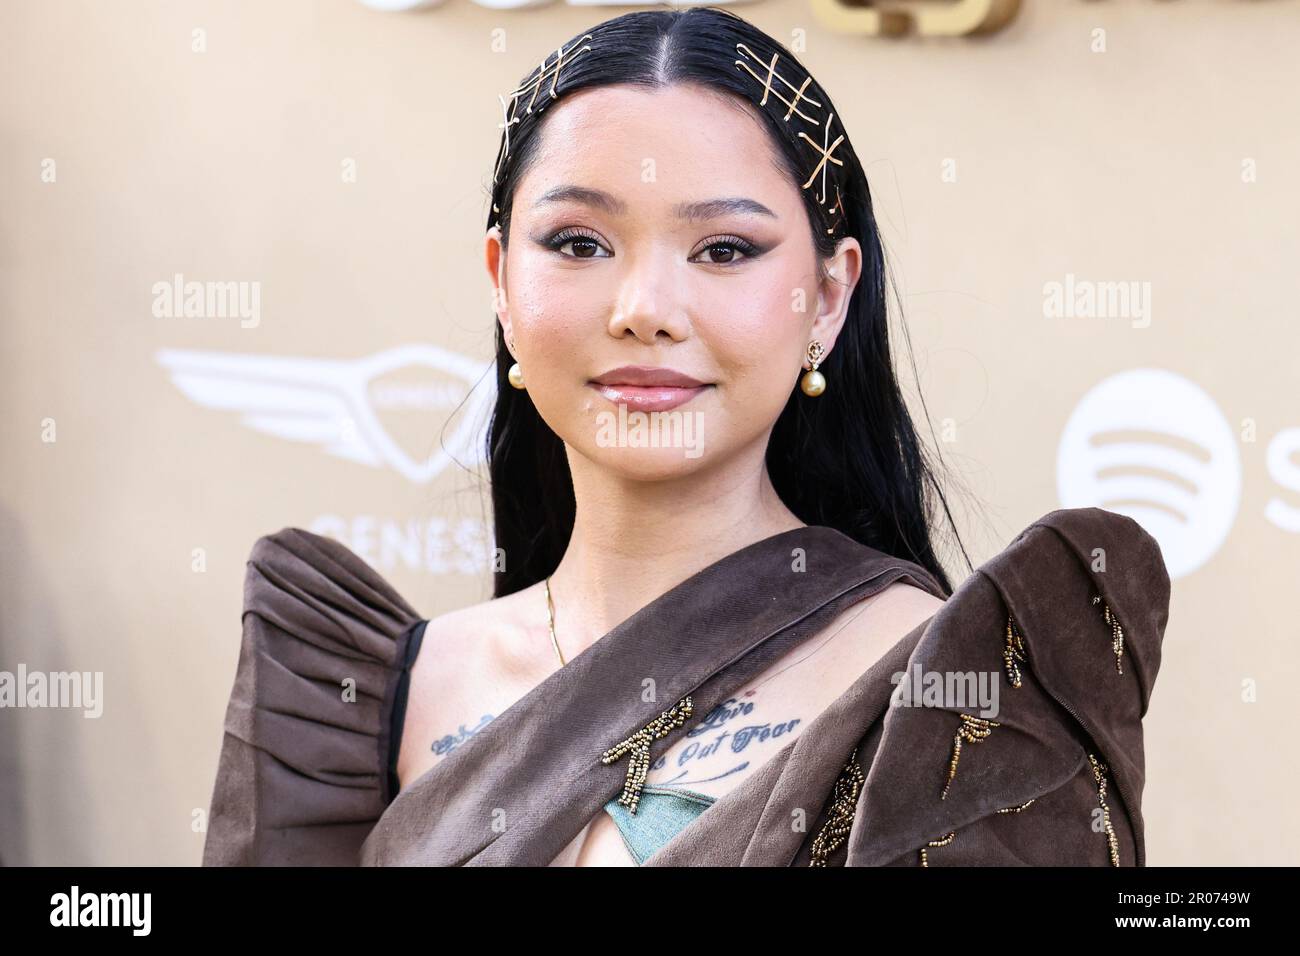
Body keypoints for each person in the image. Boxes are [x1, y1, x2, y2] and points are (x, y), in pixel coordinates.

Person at [201, 6, 1171, 867]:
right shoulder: (367, 691)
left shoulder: (950, 691)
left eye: (723, 249)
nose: (644, 308)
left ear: (827, 297)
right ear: (501, 280)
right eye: (579, 243)